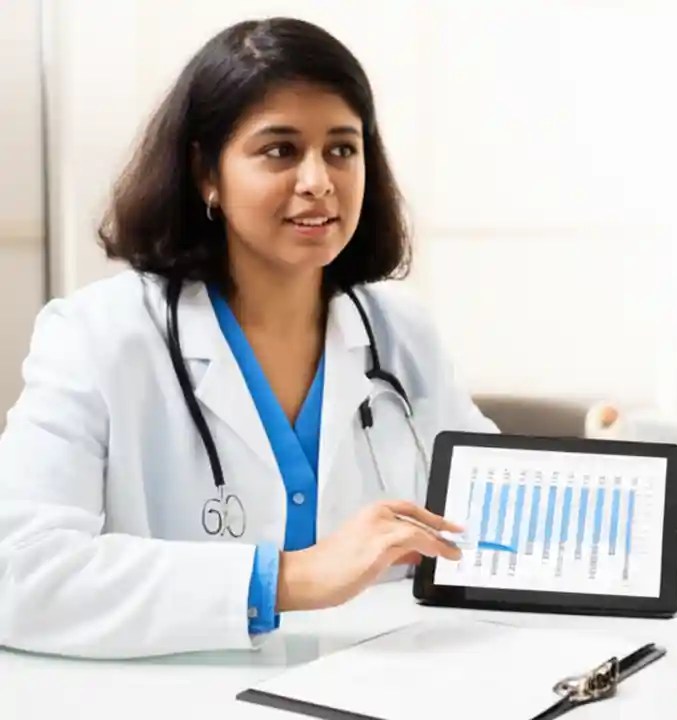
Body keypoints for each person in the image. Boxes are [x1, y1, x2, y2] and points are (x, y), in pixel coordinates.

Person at [0, 17, 496, 659]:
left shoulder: (400, 333)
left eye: (342, 149)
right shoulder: (98, 338)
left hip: (375, 688)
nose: (318, 180)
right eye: (280, 150)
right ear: (207, 173)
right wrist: (288, 579)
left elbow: (491, 511)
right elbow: (19, 572)